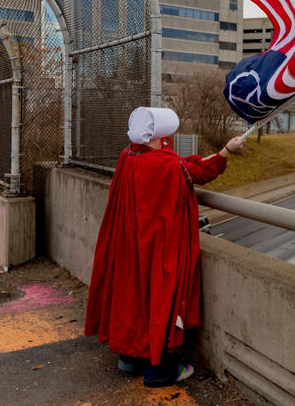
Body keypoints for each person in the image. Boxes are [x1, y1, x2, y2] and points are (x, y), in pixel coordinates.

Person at [84, 107, 244, 387]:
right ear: (161, 134)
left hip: (129, 241)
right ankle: (158, 371)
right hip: (155, 243)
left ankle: (128, 358)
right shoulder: (164, 166)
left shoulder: (129, 155)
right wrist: (226, 151)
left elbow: (181, 163)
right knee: (157, 300)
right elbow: (198, 172)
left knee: (129, 296)